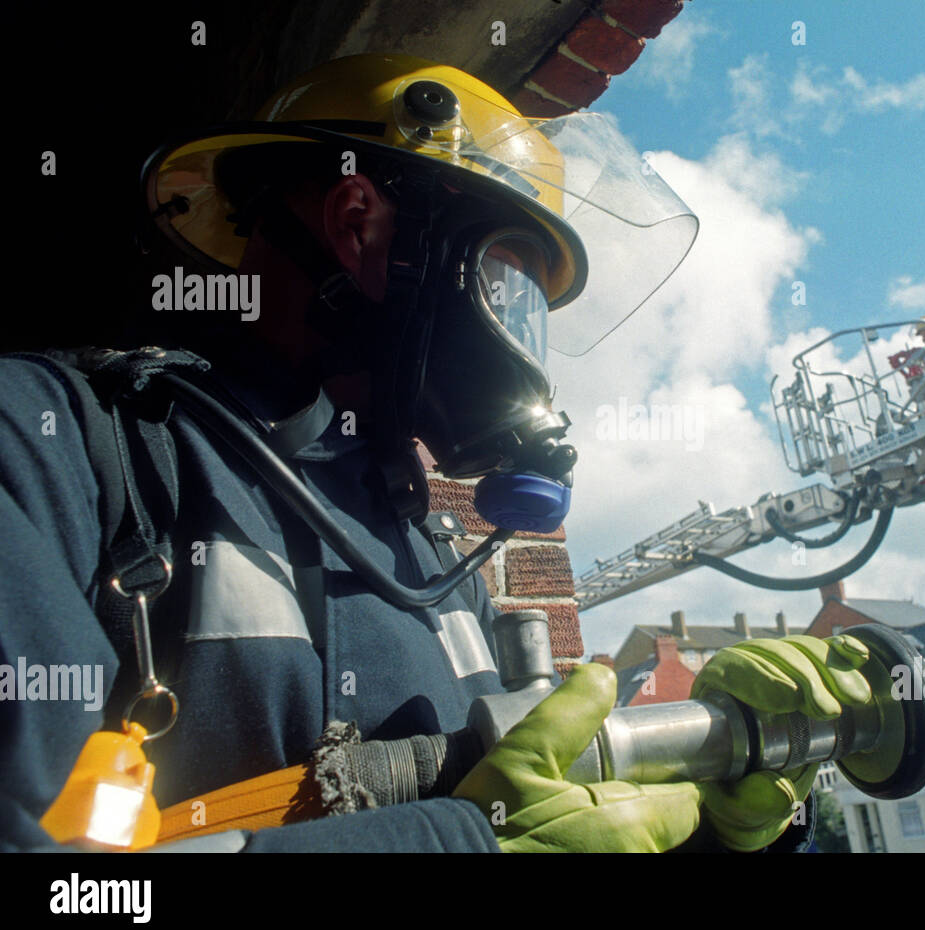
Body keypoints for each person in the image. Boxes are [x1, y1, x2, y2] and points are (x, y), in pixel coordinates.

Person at [0, 54, 875, 853]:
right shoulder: (56, 449)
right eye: (506, 285)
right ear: (357, 221)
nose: (519, 346)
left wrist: (719, 824)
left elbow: (539, 814)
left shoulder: (435, 561)